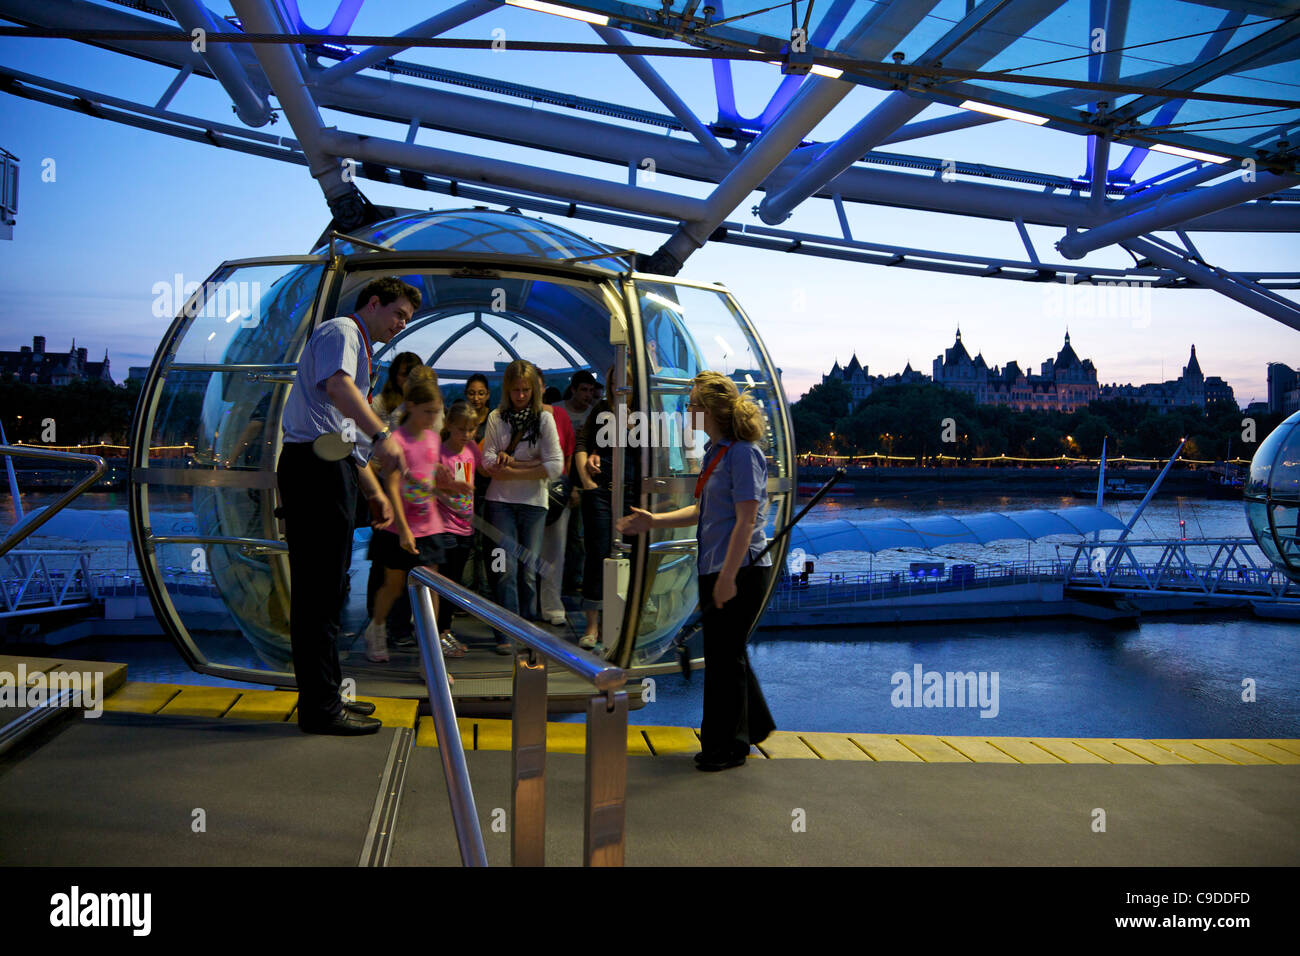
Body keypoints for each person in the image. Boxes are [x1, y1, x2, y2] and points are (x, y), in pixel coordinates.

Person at [277, 276, 418, 735]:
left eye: (407, 319)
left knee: (329, 590)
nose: (400, 324)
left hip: (328, 466)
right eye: (398, 313)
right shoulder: (341, 331)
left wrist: (373, 492)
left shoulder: (359, 345)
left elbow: (340, 432)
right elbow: (338, 389)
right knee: (318, 593)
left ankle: (328, 697)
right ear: (373, 303)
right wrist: (382, 436)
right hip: (313, 469)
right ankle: (320, 710)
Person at [616, 371, 775, 771]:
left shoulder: (742, 453)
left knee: (724, 657)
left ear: (712, 410)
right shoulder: (715, 452)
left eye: (693, 406)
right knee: (727, 653)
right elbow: (705, 511)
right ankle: (745, 730)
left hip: (740, 569)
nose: (687, 411)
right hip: (718, 567)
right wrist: (653, 520)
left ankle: (726, 747)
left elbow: (746, 519)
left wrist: (727, 577)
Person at [363, 366, 470, 664]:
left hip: (429, 524)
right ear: (410, 406)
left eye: (437, 412)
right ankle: (377, 628)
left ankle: (429, 658)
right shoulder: (396, 440)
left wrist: (449, 483)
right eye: (428, 411)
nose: (433, 418)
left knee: (431, 586)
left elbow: (427, 476)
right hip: (401, 527)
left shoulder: (432, 439)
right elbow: (392, 483)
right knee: (393, 585)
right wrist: (403, 528)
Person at [481, 360, 563, 653]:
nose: (520, 396)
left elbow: (555, 466)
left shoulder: (544, 420)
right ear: (507, 389)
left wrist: (513, 466)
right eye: (515, 390)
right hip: (500, 501)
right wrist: (532, 466)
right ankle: (505, 632)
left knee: (528, 570)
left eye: (525, 390)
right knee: (504, 568)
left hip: (533, 503)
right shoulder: (496, 417)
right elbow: (487, 462)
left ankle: (527, 631)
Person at [433, 400, 482, 648]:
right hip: (445, 528)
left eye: (471, 429)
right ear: (449, 425)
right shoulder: (439, 452)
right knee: (444, 583)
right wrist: (448, 493)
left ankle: (445, 630)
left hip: (466, 527)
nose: (466, 435)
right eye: (462, 429)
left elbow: (476, 475)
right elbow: (429, 487)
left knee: (454, 584)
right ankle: (438, 633)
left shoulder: (472, 449)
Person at [539, 383, 575, 626]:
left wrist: (567, 487)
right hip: (525, 489)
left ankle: (551, 604)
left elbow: (569, 451)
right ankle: (527, 606)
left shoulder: (559, 414)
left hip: (556, 489)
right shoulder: (512, 416)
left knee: (555, 551)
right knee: (526, 549)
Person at [561, 371, 597, 596]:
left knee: (578, 534)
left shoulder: (594, 413)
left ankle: (574, 579)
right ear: (573, 389)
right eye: (583, 390)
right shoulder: (558, 410)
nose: (587, 395)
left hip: (586, 480)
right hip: (563, 478)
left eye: (590, 391)